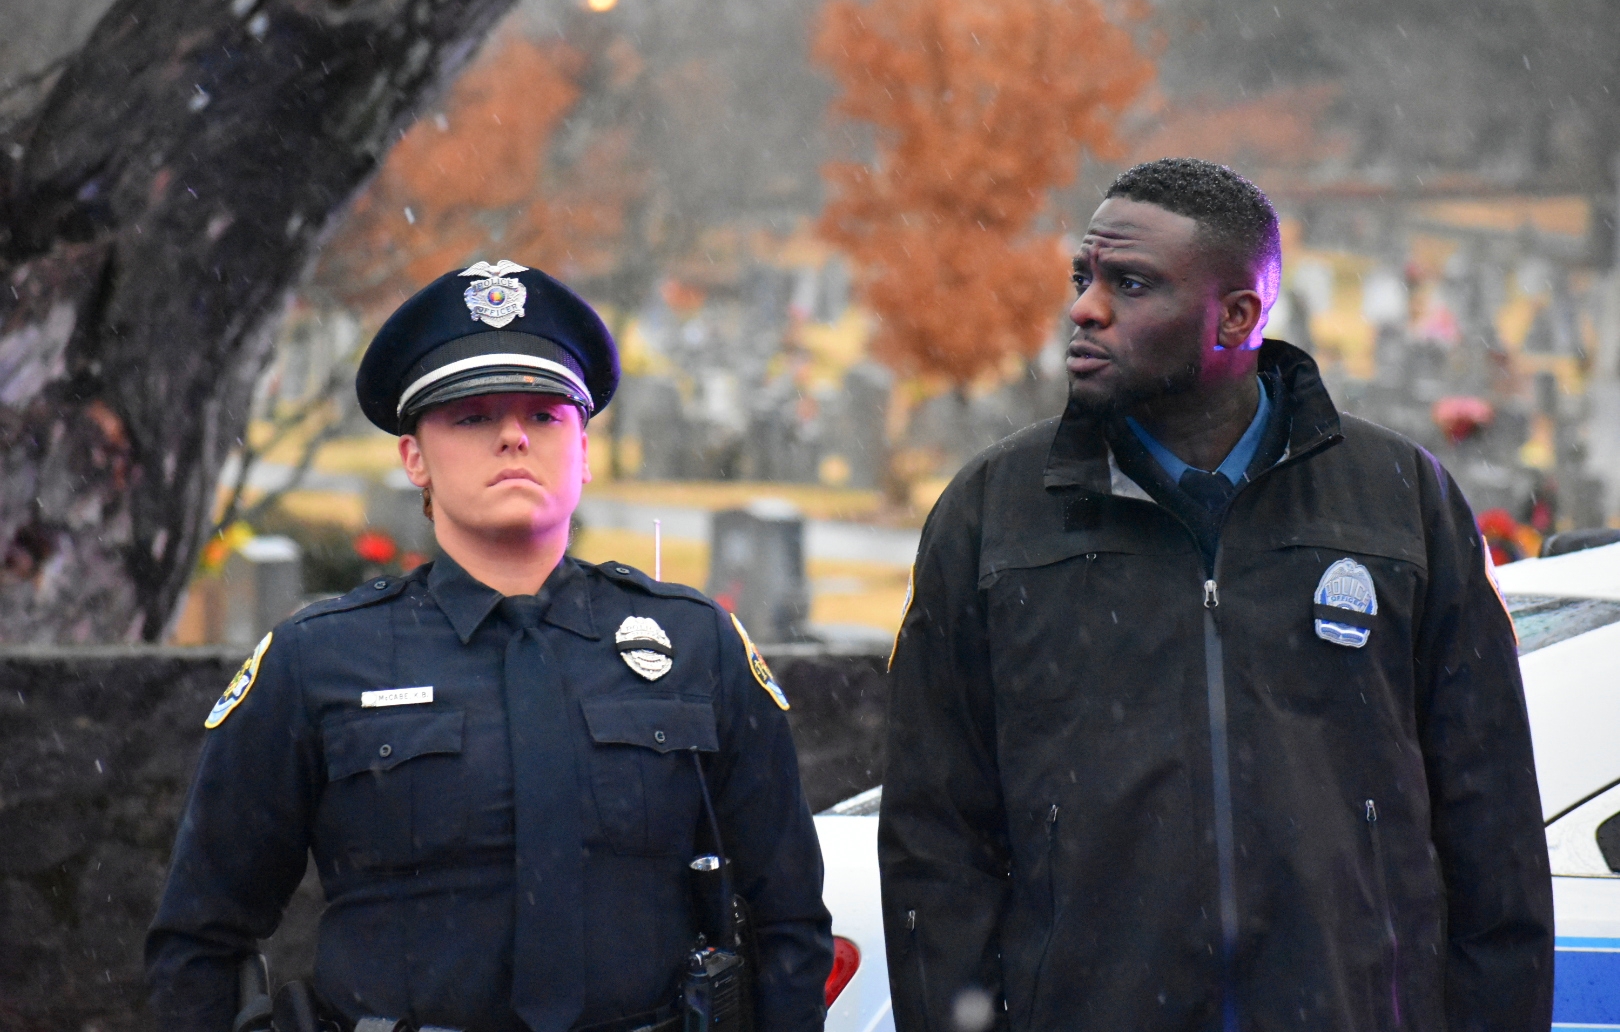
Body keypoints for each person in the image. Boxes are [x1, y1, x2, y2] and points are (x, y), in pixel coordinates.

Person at [878, 158, 1553, 1032]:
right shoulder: (993, 515)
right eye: (1084, 278)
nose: (1085, 308)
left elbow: (1489, 824)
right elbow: (937, 841)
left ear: (1236, 316)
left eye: (1130, 284)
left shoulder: (1399, 502)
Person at [147, 261, 833, 1032]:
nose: (513, 436)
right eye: (472, 417)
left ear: (585, 449)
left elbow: (789, 920)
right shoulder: (317, 661)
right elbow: (201, 938)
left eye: (545, 415)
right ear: (415, 458)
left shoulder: (695, 645)